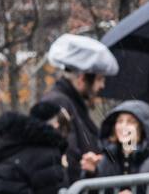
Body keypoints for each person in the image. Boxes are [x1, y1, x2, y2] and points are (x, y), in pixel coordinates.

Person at [38, 33, 118, 184]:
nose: (102, 86)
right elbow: (68, 160)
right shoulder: (59, 103)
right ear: (81, 79)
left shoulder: (71, 104)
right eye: (99, 79)